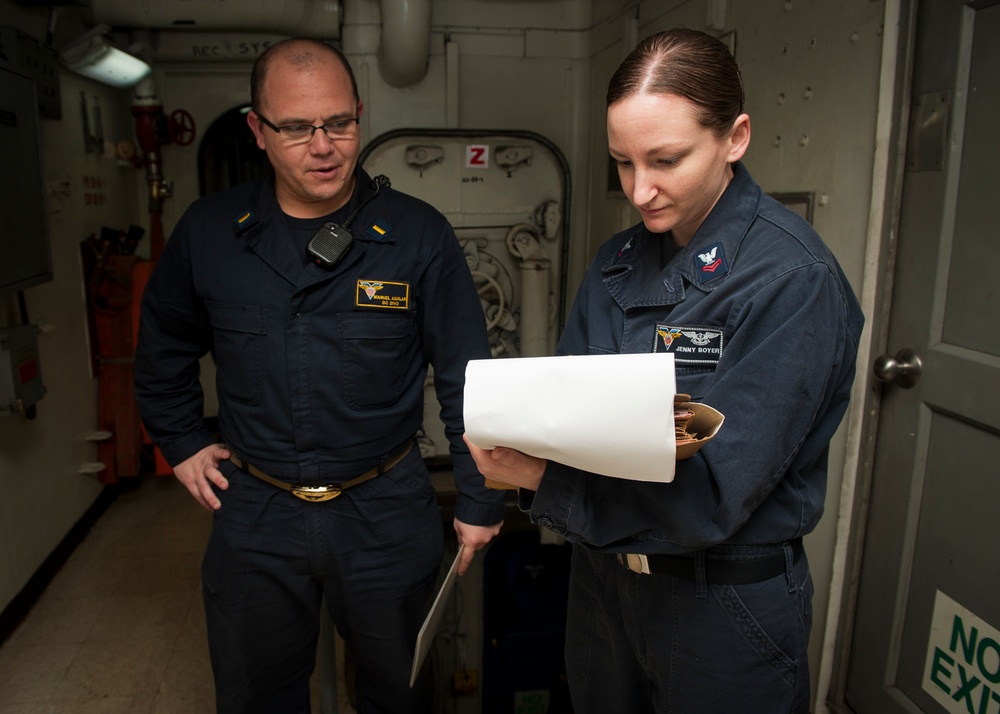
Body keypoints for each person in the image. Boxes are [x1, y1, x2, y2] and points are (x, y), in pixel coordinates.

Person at [465, 28, 863, 714]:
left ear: (734, 138)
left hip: (717, 602)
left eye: (666, 160)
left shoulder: (792, 281)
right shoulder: (618, 259)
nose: (639, 190)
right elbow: (573, 413)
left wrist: (538, 477)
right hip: (604, 586)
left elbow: (711, 497)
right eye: (622, 162)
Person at [134, 38, 504, 714]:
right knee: (256, 695)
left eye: (340, 122)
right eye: (297, 128)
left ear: (360, 114)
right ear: (257, 129)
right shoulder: (212, 233)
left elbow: (465, 374)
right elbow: (161, 346)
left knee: (403, 694)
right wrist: (181, 439)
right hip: (258, 508)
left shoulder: (417, 236)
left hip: (385, 508)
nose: (324, 145)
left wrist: (480, 498)